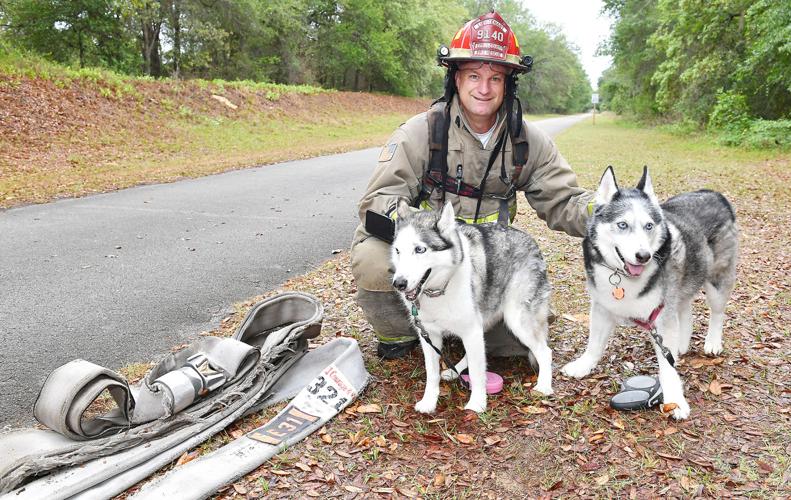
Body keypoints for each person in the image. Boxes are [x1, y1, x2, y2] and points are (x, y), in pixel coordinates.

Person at [350, 11, 594, 359]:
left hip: (480, 265)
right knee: (374, 260)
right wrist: (422, 231)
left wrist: (604, 213)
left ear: (508, 84)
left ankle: (465, 326)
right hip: (429, 256)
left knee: (514, 347)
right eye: (474, 75)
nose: (484, 88)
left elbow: (564, 200)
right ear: (455, 78)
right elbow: (377, 200)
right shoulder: (421, 133)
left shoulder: (527, 141)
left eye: (495, 78)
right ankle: (402, 334)